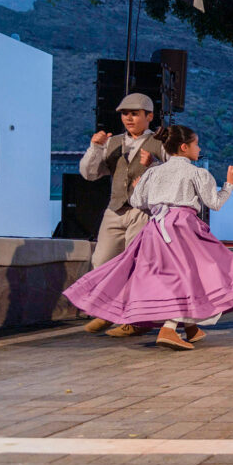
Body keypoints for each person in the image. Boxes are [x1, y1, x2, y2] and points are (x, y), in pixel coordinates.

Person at [64, 125, 233, 350]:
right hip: (181, 228)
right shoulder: (196, 172)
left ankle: (190, 327)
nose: (198, 148)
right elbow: (215, 203)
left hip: (154, 229)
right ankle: (169, 329)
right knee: (190, 275)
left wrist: (141, 187)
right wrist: (229, 183)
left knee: (165, 276)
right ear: (184, 147)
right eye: (196, 144)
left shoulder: (153, 172)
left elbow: (136, 202)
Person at [78, 93, 166, 337]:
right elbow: (90, 173)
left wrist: (153, 167)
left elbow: (175, 175)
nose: (128, 117)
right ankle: (107, 313)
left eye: (135, 113)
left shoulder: (159, 143)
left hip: (143, 210)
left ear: (149, 116)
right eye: (125, 113)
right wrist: (95, 148)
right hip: (116, 208)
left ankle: (136, 319)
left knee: (137, 265)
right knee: (102, 262)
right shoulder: (113, 142)